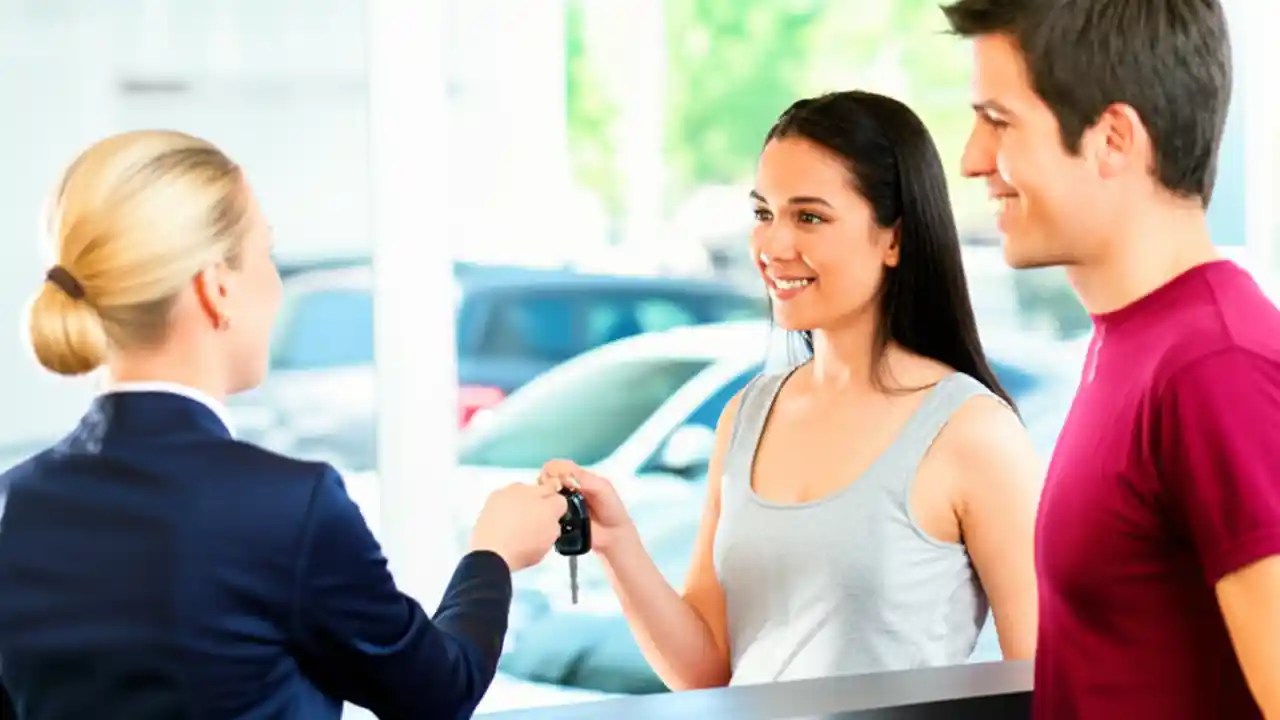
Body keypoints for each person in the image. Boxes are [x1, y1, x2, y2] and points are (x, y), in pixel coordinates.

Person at [0, 130, 568, 720]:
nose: (275, 286)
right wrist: (494, 554)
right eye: (265, 255)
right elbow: (438, 694)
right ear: (216, 288)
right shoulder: (289, 507)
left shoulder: (15, 504)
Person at [540, 90, 1043, 689]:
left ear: (894, 239)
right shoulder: (747, 416)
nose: (774, 246)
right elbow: (707, 673)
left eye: (809, 217)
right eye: (763, 214)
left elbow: (1045, 682)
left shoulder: (971, 432)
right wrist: (616, 544)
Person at [942, 1, 1280, 718]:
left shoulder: (1216, 365)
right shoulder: (1134, 342)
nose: (972, 158)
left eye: (998, 121)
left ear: (1113, 139)